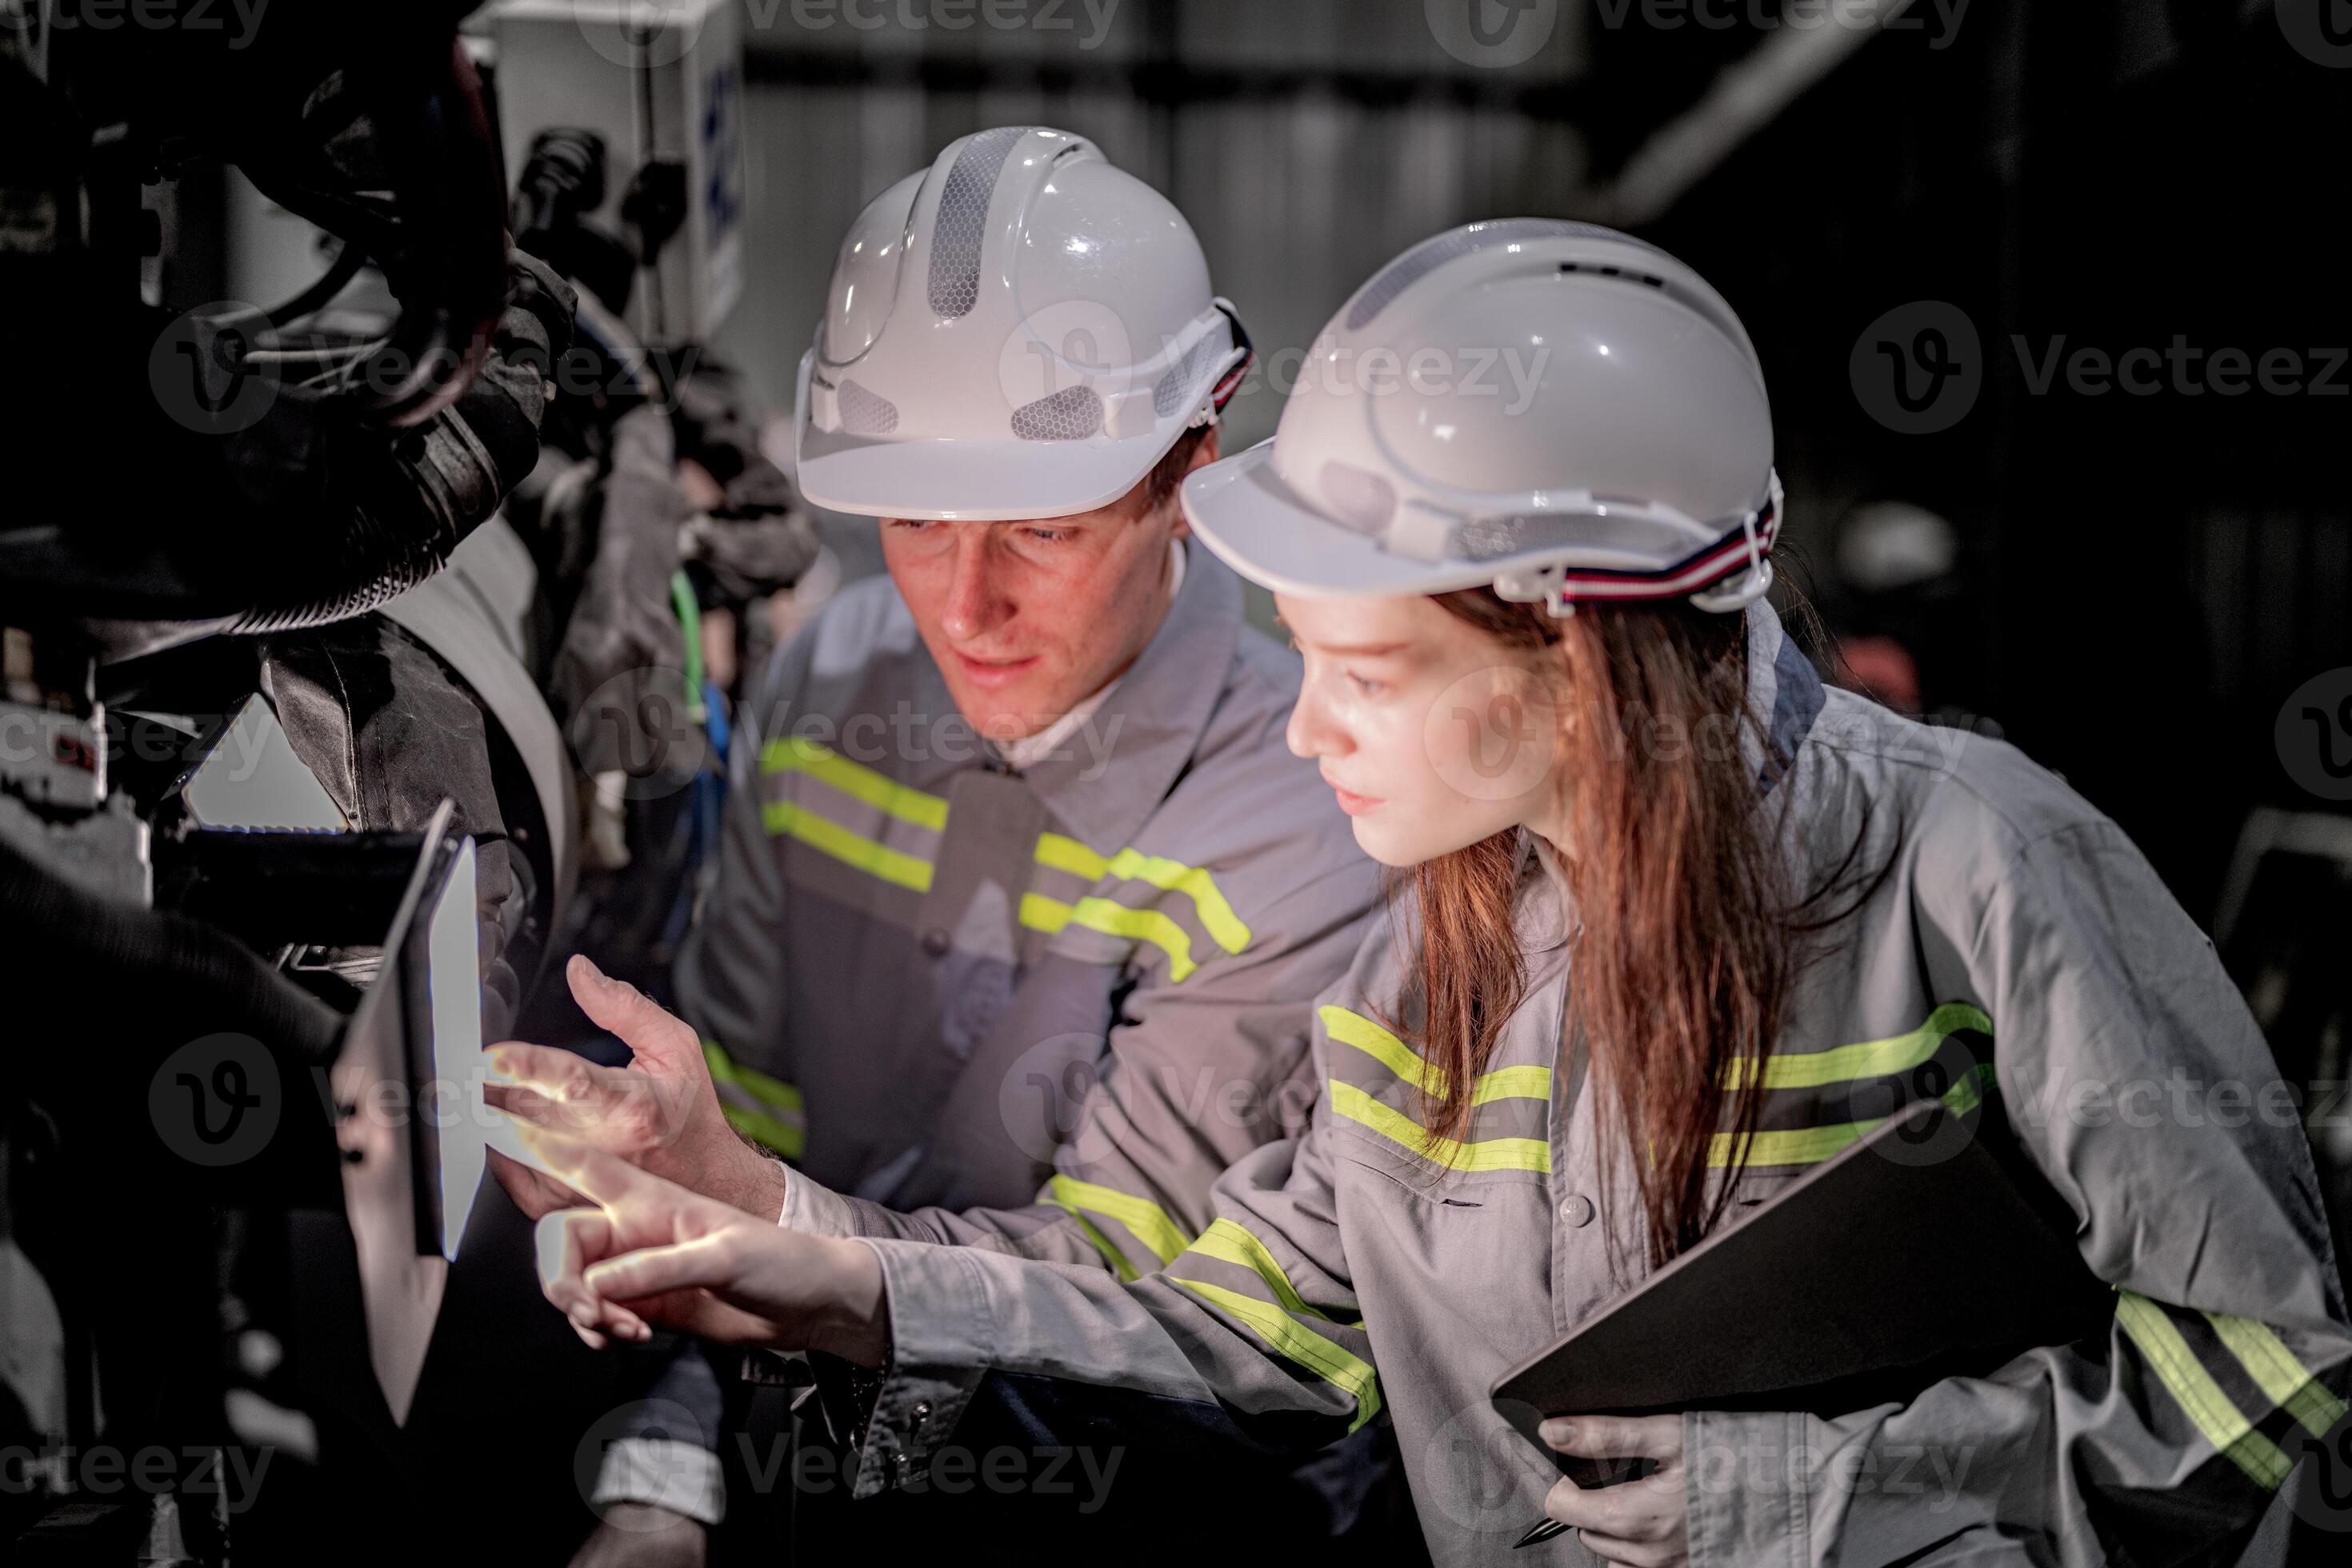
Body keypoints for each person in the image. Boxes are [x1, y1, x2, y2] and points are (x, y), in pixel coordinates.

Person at [510, 221, 2352, 1566]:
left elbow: (2282, 1360)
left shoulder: (1973, 865)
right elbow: (1244, 1310)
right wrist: (818, 1254)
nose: (1306, 728)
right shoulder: (1446, 942)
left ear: (1578, 655)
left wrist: (1839, 1488)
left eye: (1368, 672)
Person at [487, 128, 1393, 1553]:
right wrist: (666, 1467)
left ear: (1192, 464)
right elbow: (742, 1118)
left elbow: (1115, 1297)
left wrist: (753, 1214)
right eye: (913, 517)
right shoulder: (830, 683)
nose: (963, 607)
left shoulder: (1310, 819)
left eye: (1039, 530)